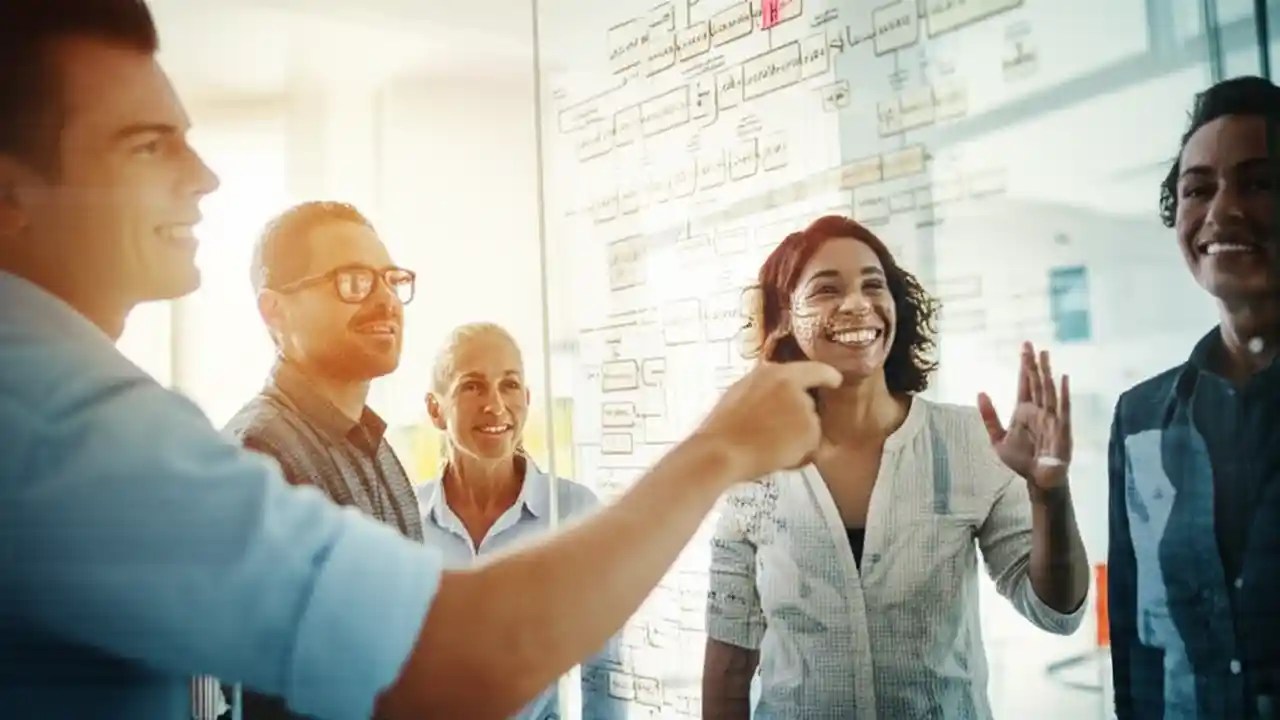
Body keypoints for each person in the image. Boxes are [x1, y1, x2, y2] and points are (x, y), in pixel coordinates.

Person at [0, 2, 842, 719]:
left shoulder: (376, 451)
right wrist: (720, 448)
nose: (204, 175)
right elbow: (461, 656)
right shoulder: (63, 421)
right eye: (146, 146)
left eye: (390, 278)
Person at [701, 215, 1091, 719]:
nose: (858, 304)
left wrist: (1049, 494)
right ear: (782, 319)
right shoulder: (753, 468)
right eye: (825, 289)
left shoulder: (969, 442)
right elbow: (730, 664)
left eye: (873, 285)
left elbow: (1056, 612)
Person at [1108, 75, 1280, 720]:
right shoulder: (1142, 417)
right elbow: (1137, 649)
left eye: (1260, 182)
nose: (1223, 210)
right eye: (1197, 189)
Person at [215, 201, 425, 719]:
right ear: (275, 310)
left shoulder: (378, 450)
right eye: (353, 281)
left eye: (390, 280)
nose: (384, 300)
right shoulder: (258, 456)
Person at [418, 321, 623, 720]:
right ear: (435, 409)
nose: (495, 405)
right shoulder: (400, 518)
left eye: (509, 385)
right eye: (472, 386)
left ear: (526, 399)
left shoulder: (575, 514)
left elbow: (604, 672)